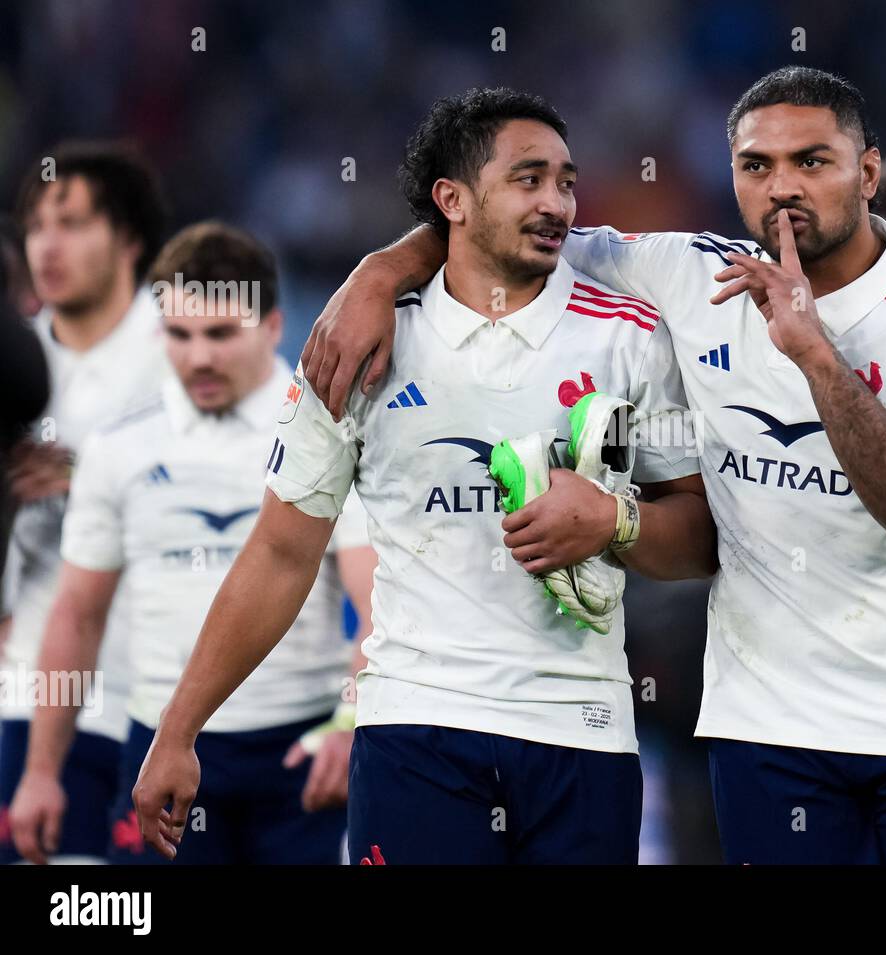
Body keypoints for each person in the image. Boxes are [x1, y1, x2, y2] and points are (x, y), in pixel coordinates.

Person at [299, 67, 886, 865]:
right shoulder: (689, 274)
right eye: (756, 166)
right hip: (767, 730)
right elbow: (504, 227)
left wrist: (814, 350)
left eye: (812, 162)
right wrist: (380, 272)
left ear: (870, 174)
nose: (782, 187)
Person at [133, 89, 714, 865]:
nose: (557, 203)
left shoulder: (632, 339)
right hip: (416, 732)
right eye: (528, 179)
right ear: (453, 199)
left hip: (583, 734)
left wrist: (617, 523)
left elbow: (703, 537)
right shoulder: (356, 345)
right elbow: (280, 552)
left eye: (566, 182)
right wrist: (180, 730)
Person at [8, 222, 376, 864]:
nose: (198, 357)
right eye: (178, 335)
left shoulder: (333, 434)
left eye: (220, 334)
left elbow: (376, 606)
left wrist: (351, 724)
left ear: (271, 325)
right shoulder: (118, 448)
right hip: (157, 752)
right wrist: (41, 771)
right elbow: (77, 615)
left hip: (299, 760)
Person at [0, 141, 168, 863]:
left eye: (71, 222)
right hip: (29, 699)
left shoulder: (193, 349)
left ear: (128, 237)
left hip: (163, 702)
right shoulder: (12, 365)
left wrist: (93, 481)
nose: (48, 243)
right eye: (36, 225)